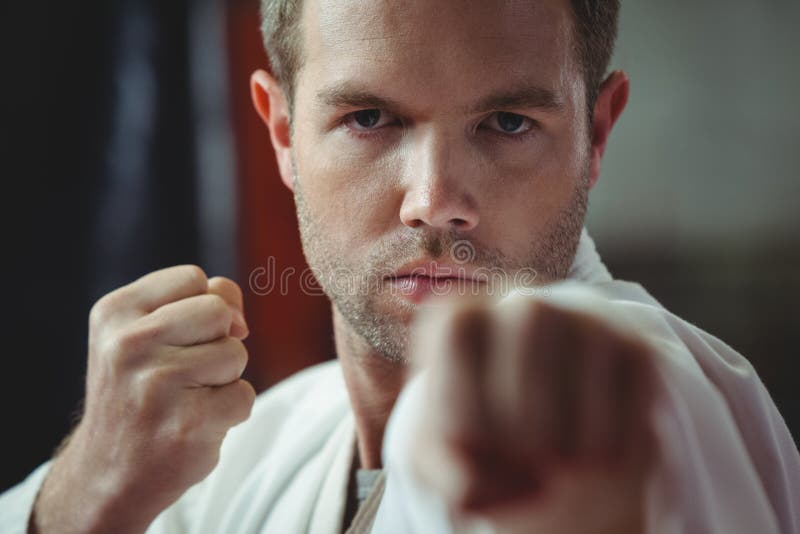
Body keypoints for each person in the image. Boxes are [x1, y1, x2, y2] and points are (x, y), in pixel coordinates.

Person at [2, 0, 799, 532]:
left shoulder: (655, 392)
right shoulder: (247, 448)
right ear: (281, 133)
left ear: (598, 133)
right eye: (370, 118)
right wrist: (81, 498)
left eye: (509, 122)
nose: (434, 200)